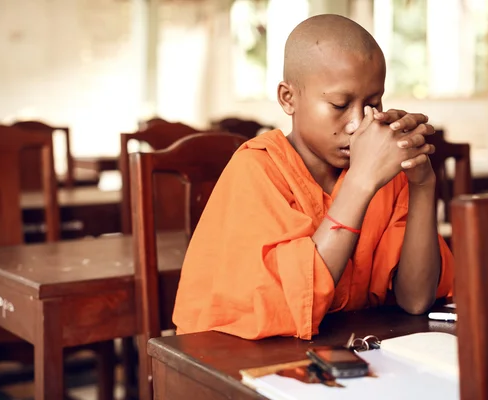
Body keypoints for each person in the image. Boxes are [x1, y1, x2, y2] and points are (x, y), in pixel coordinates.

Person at [173, 14, 454, 340]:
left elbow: (417, 300)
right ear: (288, 98)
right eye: (339, 104)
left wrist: (422, 184)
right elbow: (283, 307)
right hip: (241, 362)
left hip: (346, 356)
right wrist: (360, 183)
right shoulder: (256, 168)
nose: (356, 123)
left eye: (373, 103)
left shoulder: (383, 172)